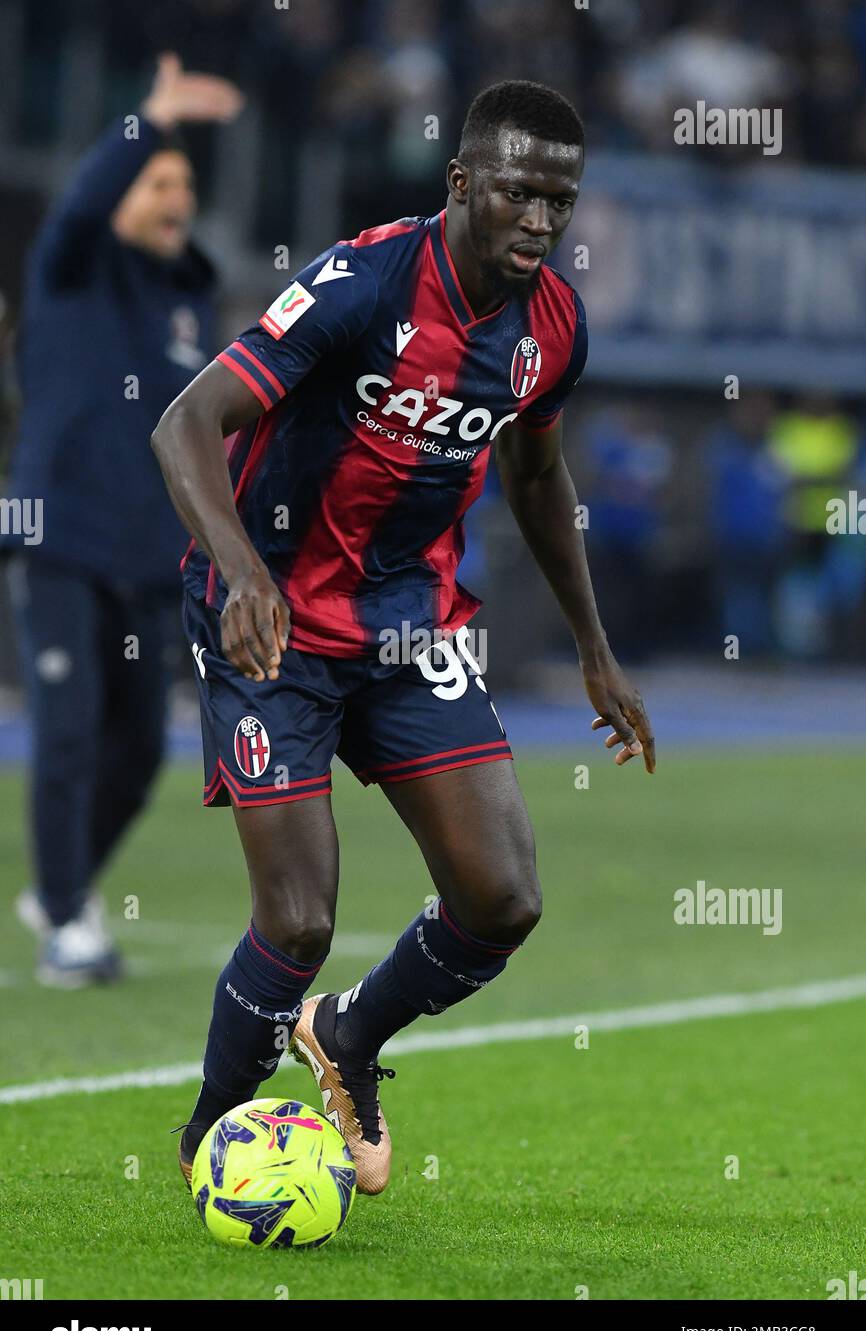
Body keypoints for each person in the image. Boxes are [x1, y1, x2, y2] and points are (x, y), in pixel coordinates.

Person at [152, 80, 655, 1195]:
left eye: (558, 202)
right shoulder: (361, 280)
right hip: (270, 620)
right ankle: (212, 1141)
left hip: (406, 628)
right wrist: (239, 568)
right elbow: (183, 422)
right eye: (519, 194)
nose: (539, 221)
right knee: (295, 919)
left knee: (503, 899)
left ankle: (349, 1037)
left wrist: (592, 645)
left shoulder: (550, 329)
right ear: (462, 182)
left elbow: (532, 473)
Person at [4, 54, 243, 986]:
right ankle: (67, 920)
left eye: (186, 180)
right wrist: (146, 120)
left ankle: (65, 889)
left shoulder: (189, 303)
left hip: (152, 556)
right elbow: (76, 205)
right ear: (117, 192)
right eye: (156, 180)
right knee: (67, 734)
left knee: (140, 751)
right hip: (60, 538)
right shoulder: (69, 266)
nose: (176, 195)